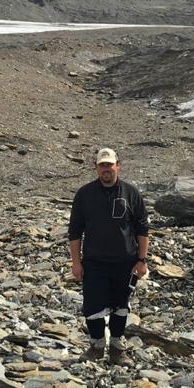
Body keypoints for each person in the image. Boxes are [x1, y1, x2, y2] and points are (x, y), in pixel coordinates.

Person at [68, 147, 149, 363]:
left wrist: (142, 260)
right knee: (93, 306)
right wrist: (76, 263)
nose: (106, 169)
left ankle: (116, 347)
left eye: (109, 164)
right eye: (102, 165)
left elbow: (142, 229)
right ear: (96, 167)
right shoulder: (84, 195)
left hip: (125, 262)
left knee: (121, 306)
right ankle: (96, 346)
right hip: (94, 262)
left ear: (117, 166)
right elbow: (75, 232)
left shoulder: (131, 193)